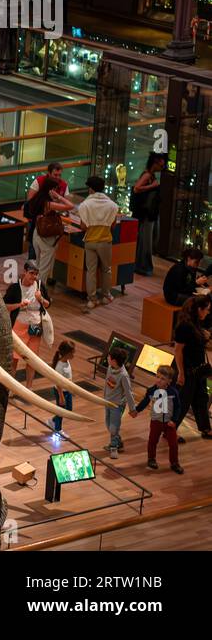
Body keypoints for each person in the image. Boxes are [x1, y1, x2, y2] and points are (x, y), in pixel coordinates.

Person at [76, 175, 118, 312]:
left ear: (91, 189)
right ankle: (106, 296)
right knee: (106, 269)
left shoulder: (86, 205)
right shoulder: (112, 205)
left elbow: (83, 227)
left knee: (91, 272)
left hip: (89, 241)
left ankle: (92, 300)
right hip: (105, 241)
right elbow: (113, 225)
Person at [172, 295, 212, 439]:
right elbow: (177, 350)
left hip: (197, 369)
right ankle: (170, 430)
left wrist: (204, 337)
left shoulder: (195, 323)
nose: (207, 312)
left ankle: (206, 428)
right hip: (187, 370)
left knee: (201, 398)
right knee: (182, 402)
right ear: (199, 309)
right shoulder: (185, 326)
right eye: (206, 310)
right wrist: (181, 373)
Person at [5, 262, 50, 388]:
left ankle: (29, 387)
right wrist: (19, 305)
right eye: (31, 273)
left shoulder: (40, 286)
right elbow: (5, 306)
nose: (34, 276)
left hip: (35, 328)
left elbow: (48, 304)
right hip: (19, 326)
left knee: (32, 360)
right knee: (14, 359)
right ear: (25, 272)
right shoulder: (15, 288)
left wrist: (40, 298)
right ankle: (11, 388)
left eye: (36, 274)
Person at [132, 365, 182, 474]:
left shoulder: (173, 392)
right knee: (152, 441)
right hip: (155, 421)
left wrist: (174, 420)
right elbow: (145, 402)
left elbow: (178, 407)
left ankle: (174, 463)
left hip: (169, 423)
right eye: (157, 377)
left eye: (162, 378)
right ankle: (151, 459)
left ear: (169, 380)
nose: (159, 380)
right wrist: (136, 410)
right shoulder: (151, 390)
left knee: (173, 444)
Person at [24, 173, 73, 281]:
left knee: (38, 264)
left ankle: (34, 290)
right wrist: (59, 197)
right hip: (46, 237)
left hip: (37, 233)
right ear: (50, 190)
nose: (56, 192)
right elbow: (71, 206)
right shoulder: (49, 203)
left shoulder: (37, 199)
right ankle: (40, 293)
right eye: (55, 190)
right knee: (44, 270)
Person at [131, 153, 164, 276]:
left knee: (148, 240)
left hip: (149, 213)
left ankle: (141, 265)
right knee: (146, 241)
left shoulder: (151, 175)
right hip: (146, 214)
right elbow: (136, 188)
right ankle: (143, 266)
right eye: (161, 164)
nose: (162, 167)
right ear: (155, 163)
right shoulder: (147, 175)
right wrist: (152, 186)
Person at [102, 345, 137, 459]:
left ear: (114, 361)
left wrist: (132, 409)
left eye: (109, 357)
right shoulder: (110, 368)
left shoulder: (123, 375)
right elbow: (107, 385)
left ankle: (114, 448)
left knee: (113, 427)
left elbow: (129, 392)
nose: (107, 358)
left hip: (117, 406)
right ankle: (118, 442)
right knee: (108, 425)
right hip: (108, 402)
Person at [49, 340, 76, 437]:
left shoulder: (67, 362)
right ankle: (58, 430)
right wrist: (61, 396)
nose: (74, 354)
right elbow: (58, 383)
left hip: (67, 391)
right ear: (67, 353)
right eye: (72, 353)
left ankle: (52, 421)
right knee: (61, 411)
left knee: (68, 410)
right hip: (61, 392)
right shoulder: (59, 366)